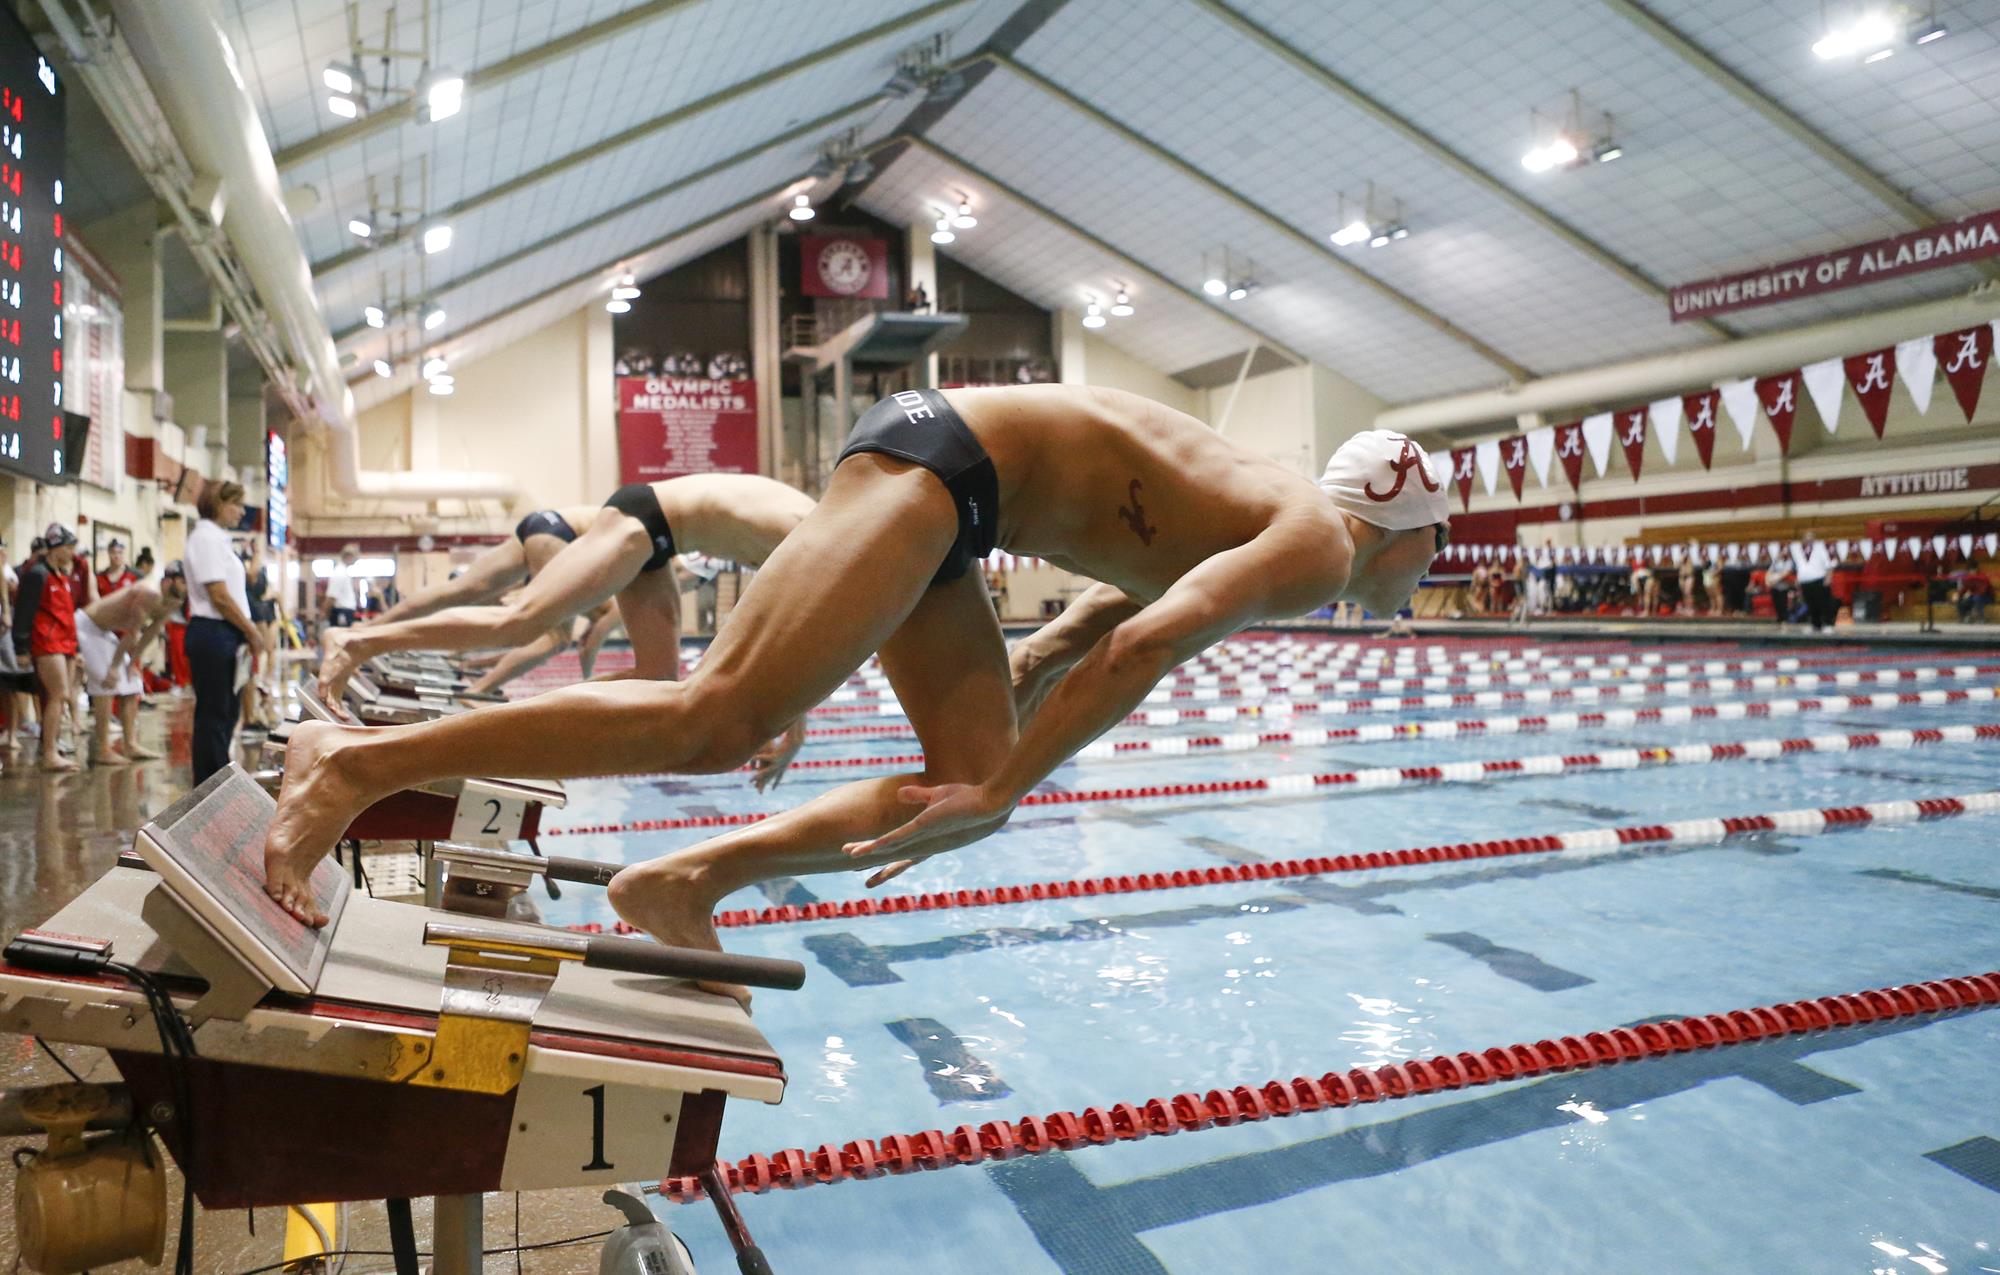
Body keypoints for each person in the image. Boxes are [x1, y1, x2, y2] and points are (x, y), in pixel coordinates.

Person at [262, 388, 1446, 987]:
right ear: (1400, 530)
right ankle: (354, 764)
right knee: (716, 717)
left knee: (955, 777)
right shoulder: (1320, 550)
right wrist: (1011, 790)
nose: (1427, 570)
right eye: (1433, 545)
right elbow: (1142, 652)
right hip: (946, 468)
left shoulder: (1265, 512)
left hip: (960, 504)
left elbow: (1104, 613)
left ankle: (679, 878)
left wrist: (1012, 707)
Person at [316, 474, 819, 783]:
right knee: (521, 623)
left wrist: (788, 722)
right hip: (645, 519)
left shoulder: (828, 527)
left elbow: (788, 634)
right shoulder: (824, 542)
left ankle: (526, 720)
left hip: (659, 535)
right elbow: (781, 634)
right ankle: (357, 639)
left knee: (658, 675)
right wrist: (785, 726)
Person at [185, 481, 268, 783]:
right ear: (219, 504)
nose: (242, 511)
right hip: (213, 632)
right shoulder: (204, 539)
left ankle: (217, 775)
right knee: (214, 713)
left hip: (226, 633)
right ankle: (211, 781)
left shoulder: (218, 539)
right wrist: (251, 631)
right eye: (236, 504)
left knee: (226, 711)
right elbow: (218, 595)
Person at [77, 562, 185, 765]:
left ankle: (131, 744)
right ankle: (101, 749)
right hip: (87, 626)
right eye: (182, 582)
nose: (185, 588)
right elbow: (133, 633)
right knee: (105, 683)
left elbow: (152, 631)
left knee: (132, 683)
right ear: (168, 580)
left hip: (104, 632)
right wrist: (114, 667)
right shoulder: (150, 592)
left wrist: (132, 663)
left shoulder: (175, 600)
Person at [13, 523, 82, 772]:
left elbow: (67, 616)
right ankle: (50, 753)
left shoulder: (60, 575)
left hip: (63, 644)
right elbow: (23, 611)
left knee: (56, 696)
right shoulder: (38, 574)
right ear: (57, 548)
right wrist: (21, 648)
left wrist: (76, 648)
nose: (73, 553)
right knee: (58, 694)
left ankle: (50, 744)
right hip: (46, 642)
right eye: (69, 547)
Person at [1794, 532, 1836, 632]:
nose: (1808, 540)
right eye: (1806, 538)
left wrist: (1828, 577)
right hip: (1805, 581)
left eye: (1810, 538)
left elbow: (1828, 564)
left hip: (1818, 579)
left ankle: (1828, 624)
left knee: (1823, 603)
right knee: (1811, 604)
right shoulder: (1798, 551)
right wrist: (1798, 578)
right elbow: (1799, 566)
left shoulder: (1820, 549)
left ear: (1814, 539)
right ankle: (1816, 624)